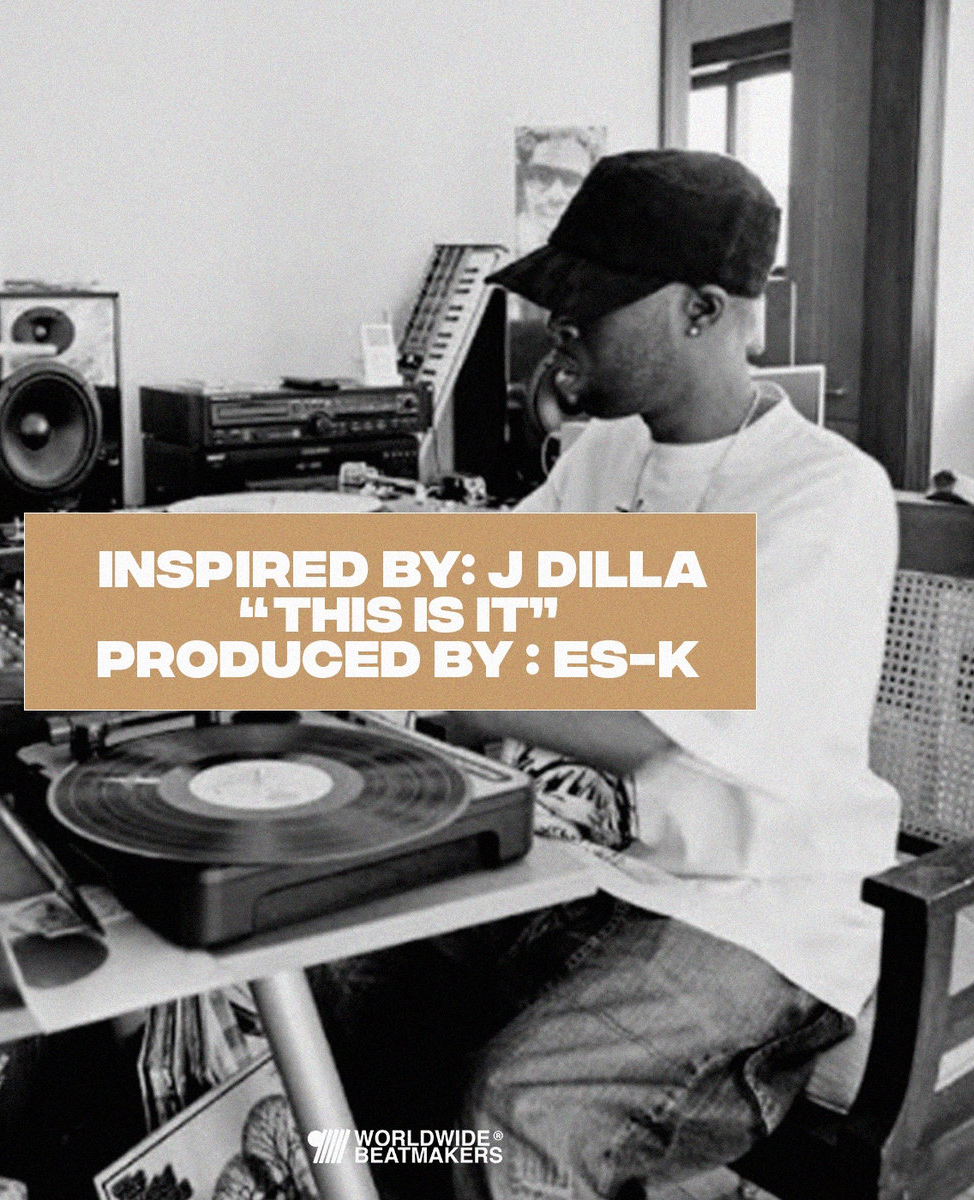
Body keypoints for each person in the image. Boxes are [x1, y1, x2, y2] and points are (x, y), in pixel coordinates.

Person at [312, 150, 901, 1200]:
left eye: (589, 301)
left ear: (702, 310)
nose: (559, 325)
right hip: (583, 870)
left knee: (517, 1117)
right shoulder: (600, 456)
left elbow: (636, 715)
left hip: (751, 916)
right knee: (348, 1000)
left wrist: (438, 686)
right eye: (558, 296)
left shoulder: (826, 495)